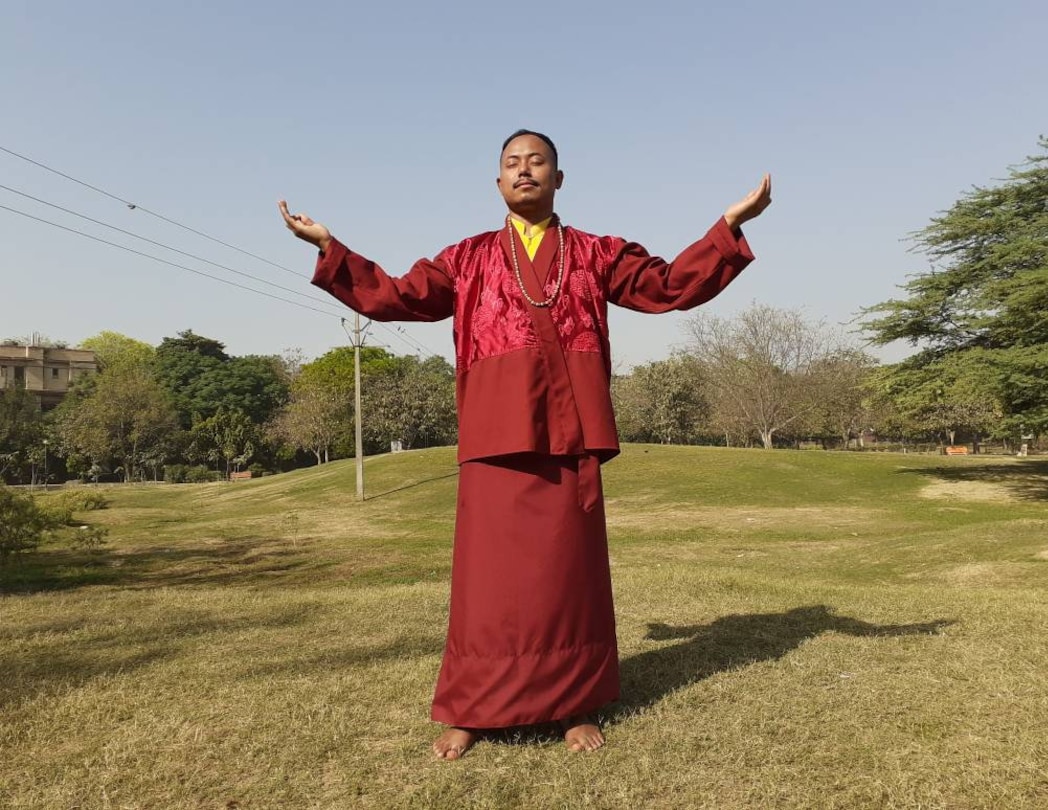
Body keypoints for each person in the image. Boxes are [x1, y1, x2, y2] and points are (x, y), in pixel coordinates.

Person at [279, 130, 771, 760]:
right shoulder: (467, 257)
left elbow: (669, 286)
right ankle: (472, 709)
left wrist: (727, 227)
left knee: (568, 577)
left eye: (537, 162)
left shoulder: (596, 252)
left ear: (559, 178)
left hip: (570, 433)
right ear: (498, 183)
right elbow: (396, 295)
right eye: (512, 164)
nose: (524, 171)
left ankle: (573, 705)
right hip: (495, 432)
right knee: (487, 585)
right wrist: (329, 246)